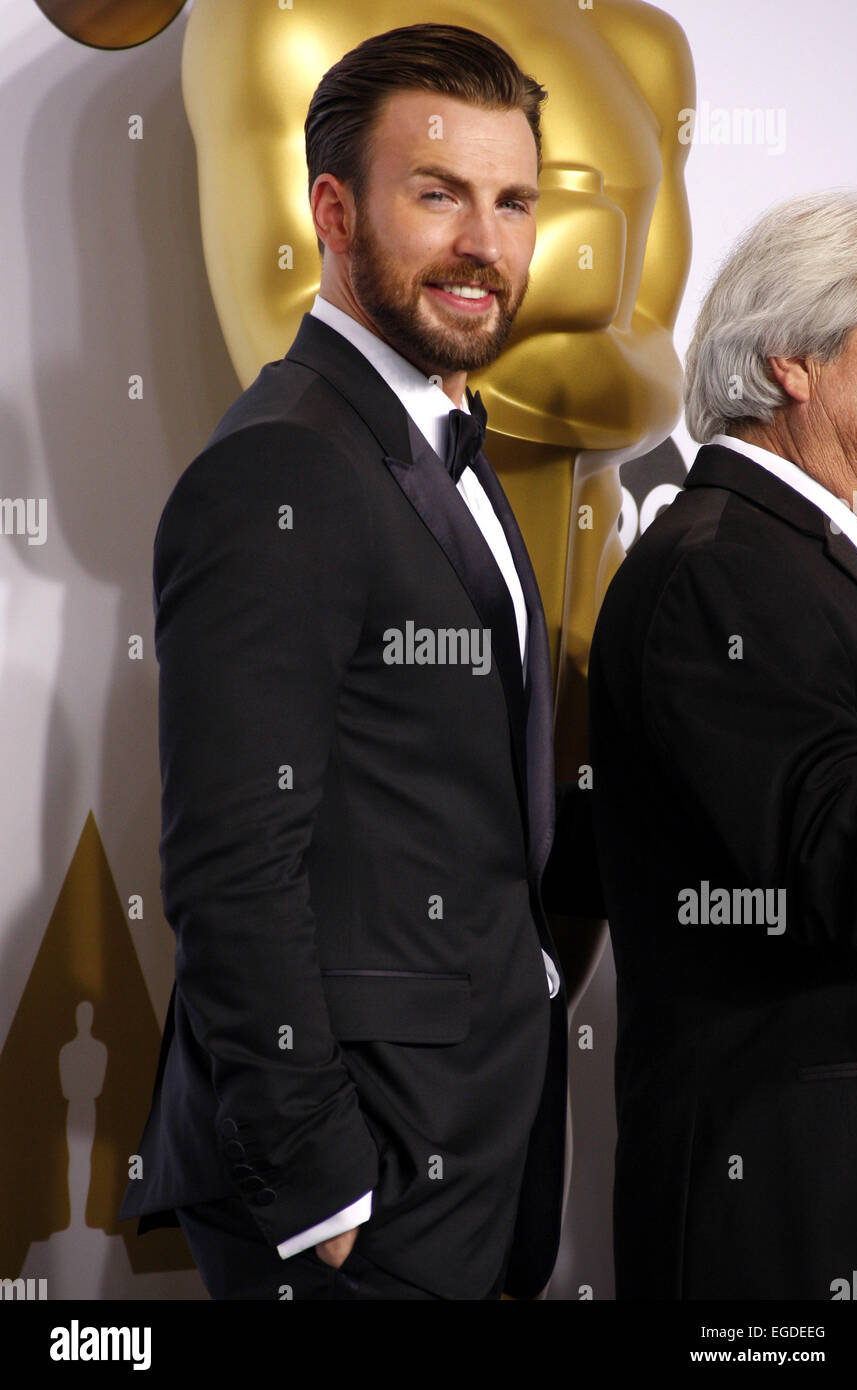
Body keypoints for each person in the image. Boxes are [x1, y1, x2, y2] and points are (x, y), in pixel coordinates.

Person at [119, 23, 570, 1302]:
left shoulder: (433, 441)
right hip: (361, 1177)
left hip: (468, 1137)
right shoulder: (286, 461)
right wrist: (321, 1178)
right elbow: (226, 854)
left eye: (512, 201)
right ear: (331, 208)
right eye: (437, 196)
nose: (484, 243)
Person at [589, 189, 857, 1299]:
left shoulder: (793, 556)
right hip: (776, 1197)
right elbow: (837, 864)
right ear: (790, 361)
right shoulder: (719, 568)